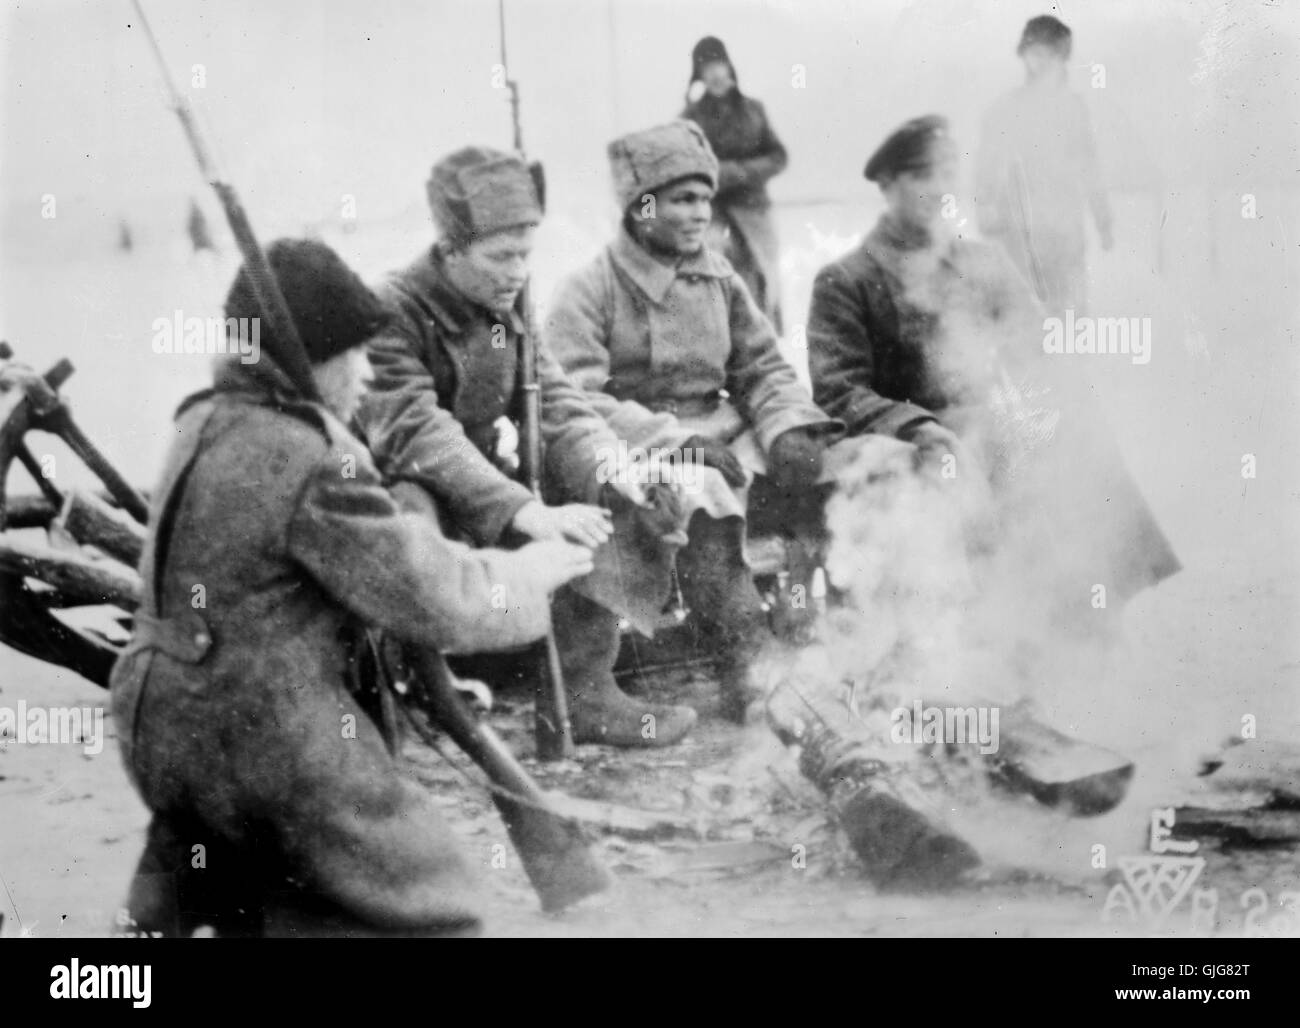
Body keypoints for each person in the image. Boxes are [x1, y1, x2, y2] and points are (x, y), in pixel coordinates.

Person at [110, 239, 593, 938]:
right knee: (426, 904)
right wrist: (532, 575)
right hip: (259, 736)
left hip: (158, 722)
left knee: (215, 878)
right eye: (354, 353)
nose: (368, 376)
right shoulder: (312, 458)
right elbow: (434, 596)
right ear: (305, 358)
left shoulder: (201, 420)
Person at [356, 146, 698, 748]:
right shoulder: (395, 307)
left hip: (487, 475)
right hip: (404, 481)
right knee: (415, 526)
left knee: (601, 497)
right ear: (452, 248)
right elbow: (414, 430)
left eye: (526, 254)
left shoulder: (508, 303)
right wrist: (523, 510)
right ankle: (425, 690)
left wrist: (614, 465)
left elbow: (559, 402)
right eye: (501, 256)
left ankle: (586, 689)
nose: (517, 271)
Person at [807, 115, 1179, 611]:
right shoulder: (846, 279)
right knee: (979, 459)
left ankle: (1102, 600)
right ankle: (994, 626)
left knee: (1075, 431)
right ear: (887, 184)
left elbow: (1037, 347)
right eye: (922, 175)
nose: (938, 189)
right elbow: (839, 391)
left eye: (946, 174)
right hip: (909, 432)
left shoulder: (983, 262)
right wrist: (918, 427)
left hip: (987, 420)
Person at [545, 120, 841, 719]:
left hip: (724, 431)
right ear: (641, 205)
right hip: (640, 445)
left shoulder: (720, 277)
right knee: (698, 489)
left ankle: (838, 638)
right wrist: (674, 441)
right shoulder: (589, 289)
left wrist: (785, 425)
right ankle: (745, 659)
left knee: (837, 472)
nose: (700, 212)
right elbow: (574, 399)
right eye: (683, 199)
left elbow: (762, 365)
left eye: (706, 198)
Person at [976, 14, 1113, 315]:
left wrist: (1103, 219)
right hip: (1020, 230)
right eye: (1034, 53)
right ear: (1024, 56)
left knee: (1069, 316)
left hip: (1065, 231)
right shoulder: (1006, 110)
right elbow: (987, 168)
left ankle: (1071, 355)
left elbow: (1089, 165)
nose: (1041, 63)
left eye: (1050, 55)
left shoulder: (1073, 109)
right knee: (1024, 315)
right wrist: (986, 210)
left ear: (1061, 58)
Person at [681, 36, 788, 331]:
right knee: (713, 285)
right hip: (712, 214)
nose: (715, 74)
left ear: (729, 67)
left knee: (763, 283)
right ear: (699, 76)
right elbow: (683, 165)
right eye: (706, 69)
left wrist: (741, 171)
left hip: (755, 211)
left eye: (719, 65)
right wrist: (714, 173)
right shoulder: (690, 118)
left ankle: (765, 353)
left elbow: (778, 156)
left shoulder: (754, 110)